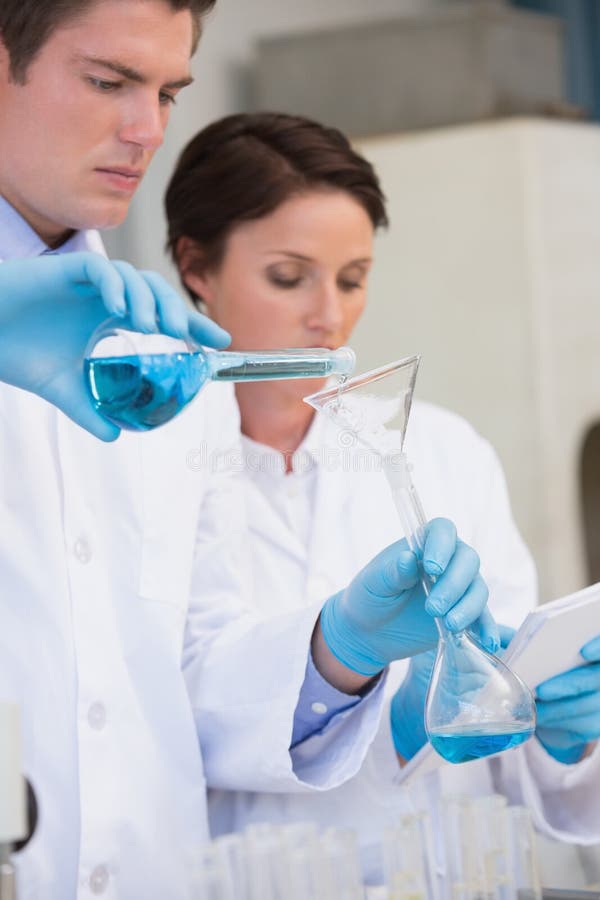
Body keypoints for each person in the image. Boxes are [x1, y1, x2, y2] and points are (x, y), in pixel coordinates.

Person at [0, 4, 493, 898]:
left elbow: (188, 663)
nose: (147, 131)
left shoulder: (164, 366)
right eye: (108, 81)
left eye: (167, 93)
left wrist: (338, 648)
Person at [166, 111, 600, 882]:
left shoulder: (444, 450)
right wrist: (338, 660)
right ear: (197, 268)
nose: (329, 317)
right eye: (288, 277)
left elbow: (508, 745)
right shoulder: (151, 467)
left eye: (353, 279)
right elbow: (166, 724)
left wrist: (561, 735)